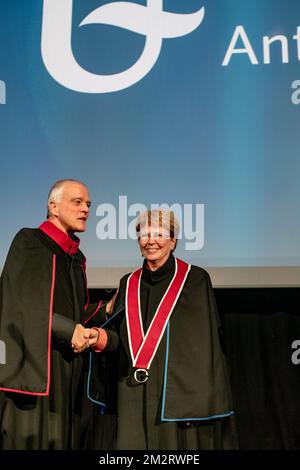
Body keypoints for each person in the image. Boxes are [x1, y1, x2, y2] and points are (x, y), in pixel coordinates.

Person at [92, 209, 237, 450]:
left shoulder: (195, 279)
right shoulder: (128, 282)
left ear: (173, 240)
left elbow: (204, 346)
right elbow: (119, 337)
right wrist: (101, 337)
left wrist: (197, 400)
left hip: (175, 396)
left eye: (159, 233)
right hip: (131, 392)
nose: (151, 241)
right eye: (144, 234)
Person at [0, 179, 112, 449]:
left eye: (88, 204)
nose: (85, 209)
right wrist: (67, 329)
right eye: (77, 202)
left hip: (67, 369)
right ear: (53, 206)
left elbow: (74, 312)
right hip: (33, 369)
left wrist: (105, 309)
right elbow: (17, 304)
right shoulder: (30, 241)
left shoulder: (76, 258)